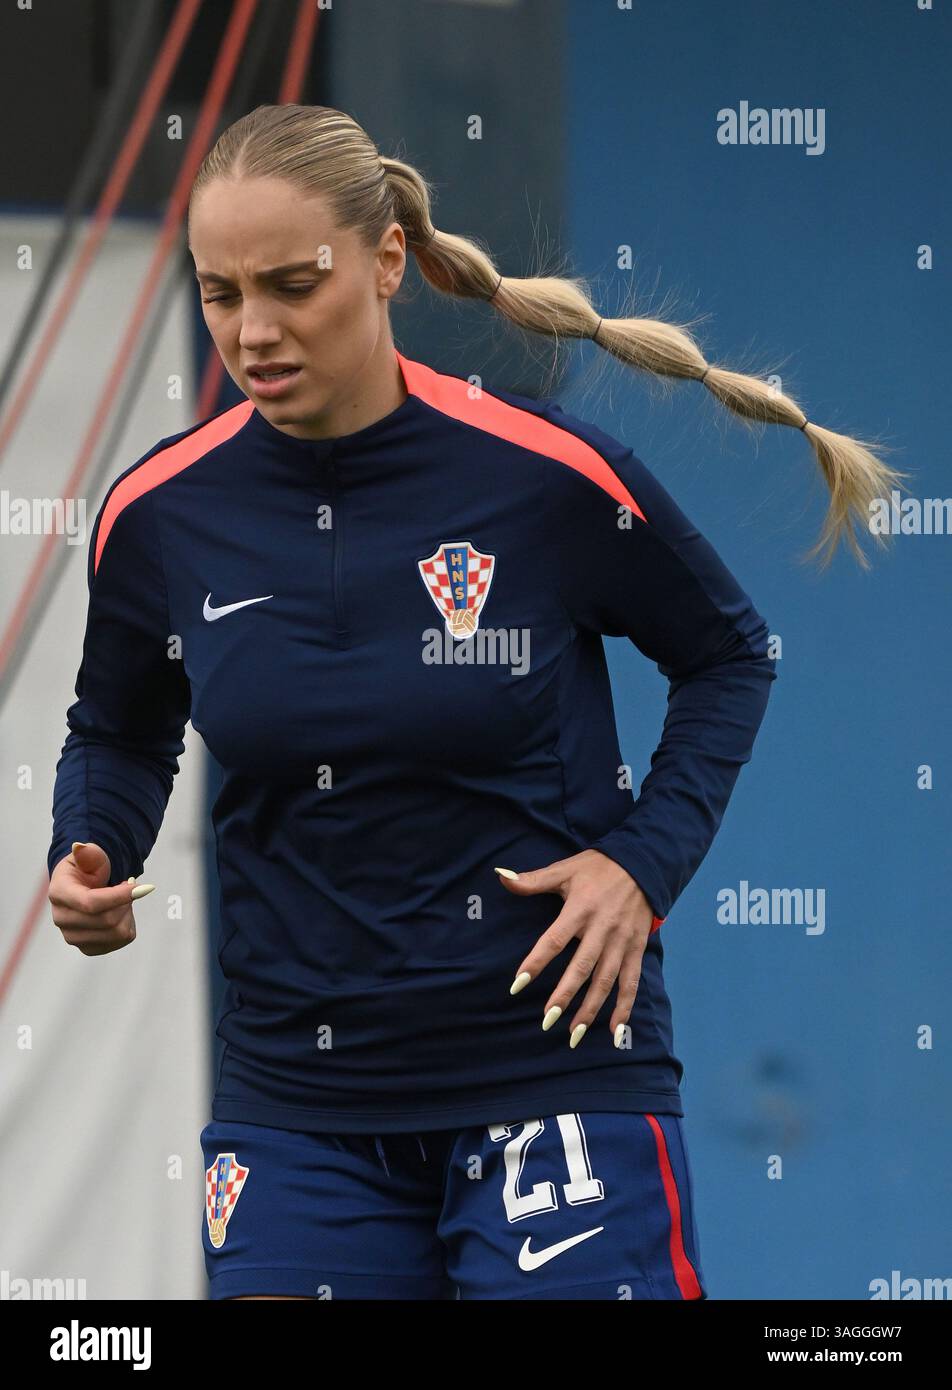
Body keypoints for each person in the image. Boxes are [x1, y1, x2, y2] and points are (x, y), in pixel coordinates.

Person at [46, 104, 902, 1301]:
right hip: (297, 1113)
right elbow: (121, 728)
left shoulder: (544, 476)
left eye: (295, 285)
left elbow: (730, 654)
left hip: (548, 1079)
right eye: (221, 292)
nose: (255, 330)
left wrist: (639, 866)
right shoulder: (159, 516)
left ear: (388, 258)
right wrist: (91, 840)